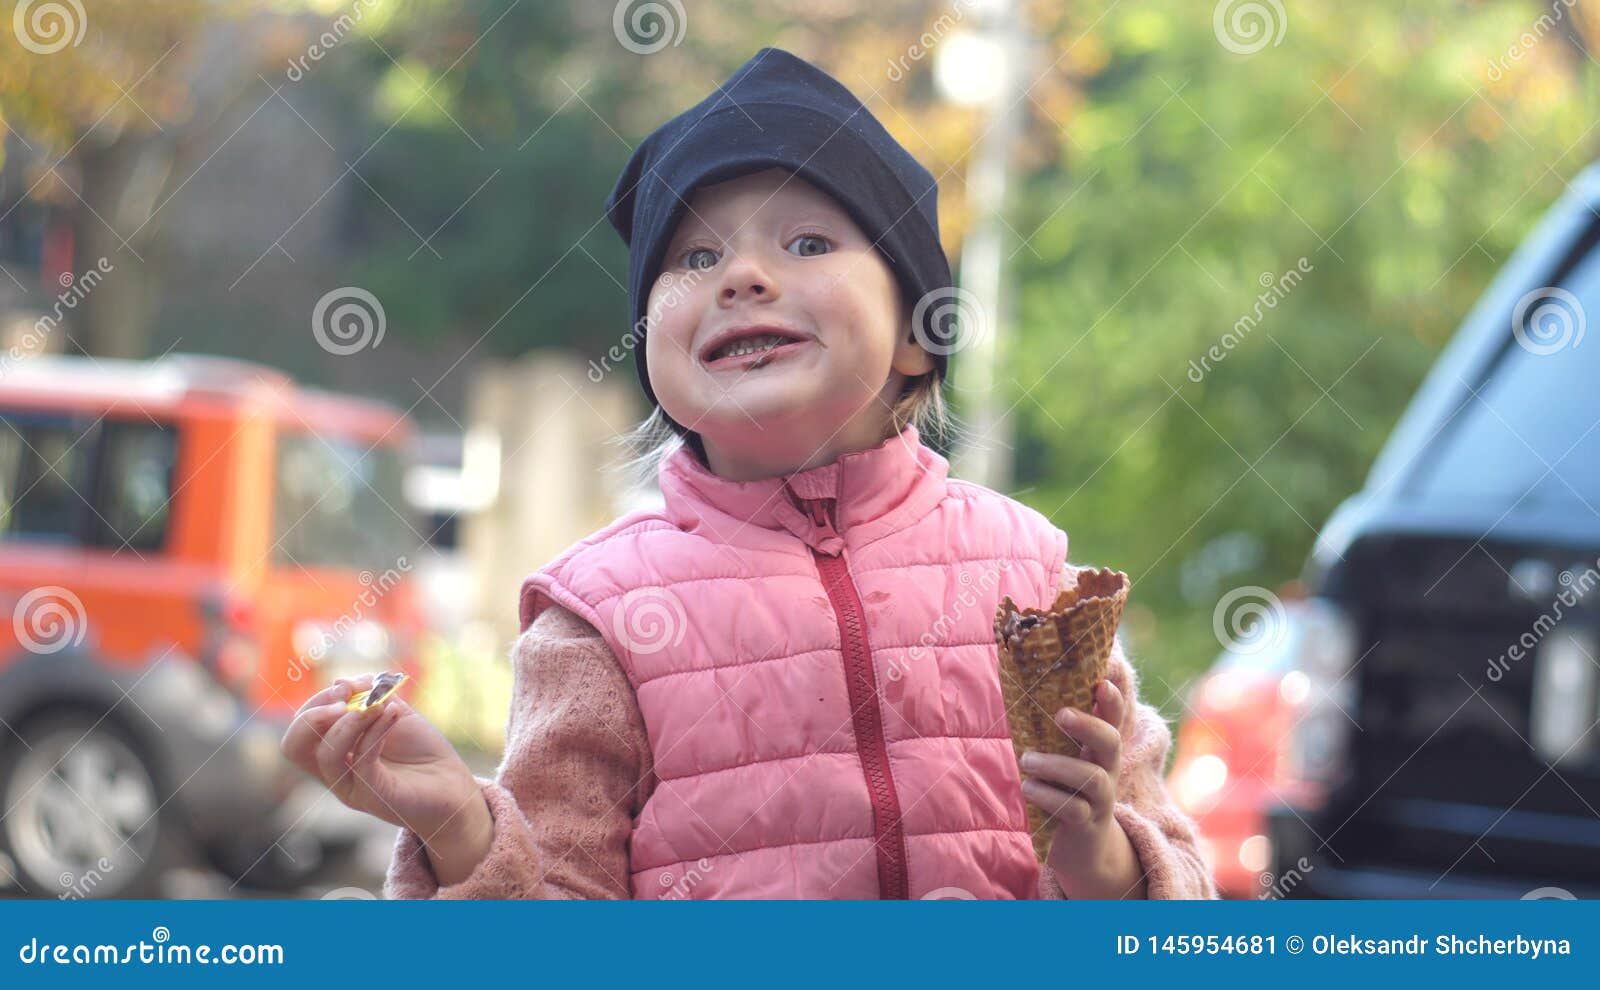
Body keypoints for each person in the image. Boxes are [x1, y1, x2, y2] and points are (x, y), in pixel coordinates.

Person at [281, 47, 1215, 900]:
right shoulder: (599, 617)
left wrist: (1106, 864)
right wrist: (461, 828)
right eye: (694, 256)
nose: (743, 277)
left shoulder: (1035, 584)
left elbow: (1182, 900)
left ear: (917, 341)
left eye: (807, 244)